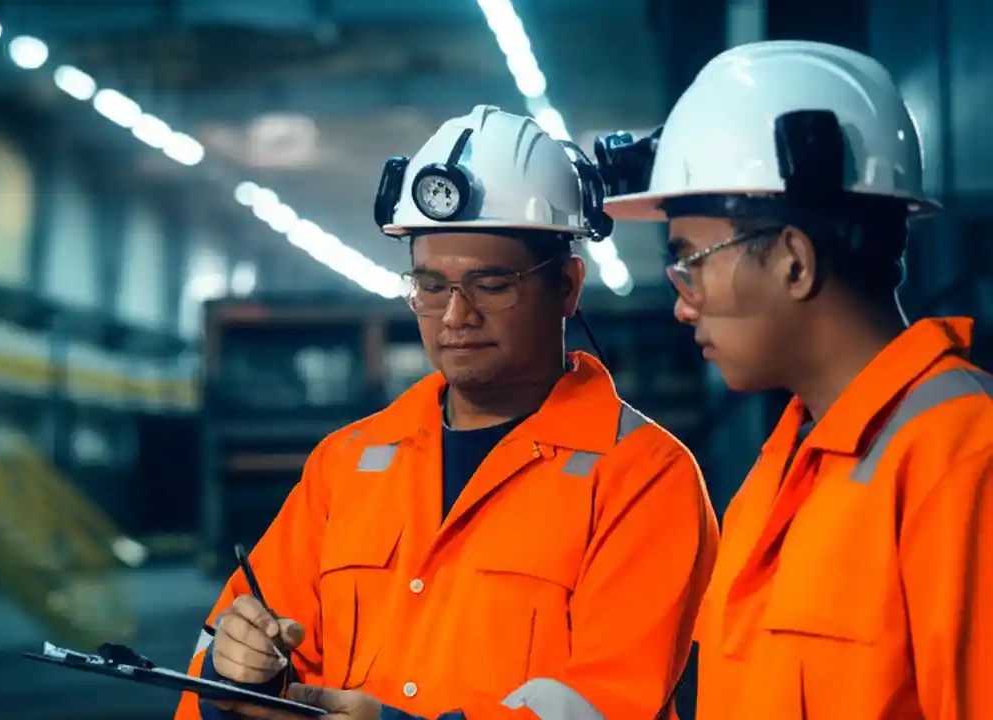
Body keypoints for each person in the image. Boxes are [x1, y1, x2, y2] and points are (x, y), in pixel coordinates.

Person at [173, 105, 719, 720]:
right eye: (432, 287)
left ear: (567, 287)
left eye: (491, 285)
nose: (456, 317)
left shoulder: (642, 476)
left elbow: (605, 702)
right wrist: (238, 676)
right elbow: (236, 654)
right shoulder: (346, 464)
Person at [598, 40, 992, 719]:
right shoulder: (778, 478)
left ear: (793, 261)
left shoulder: (961, 456)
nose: (682, 304)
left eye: (692, 262)